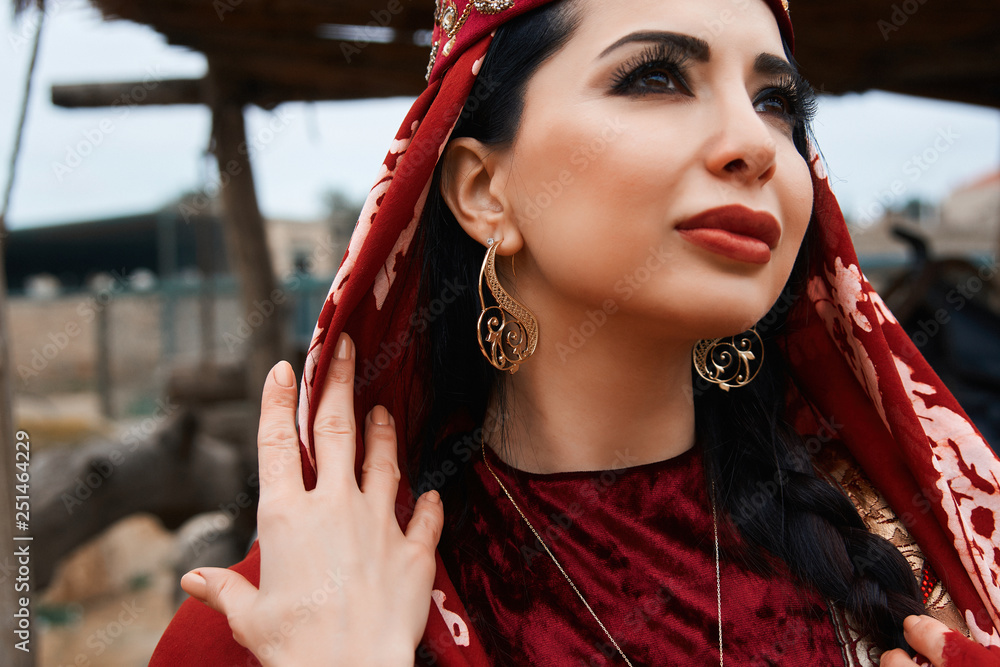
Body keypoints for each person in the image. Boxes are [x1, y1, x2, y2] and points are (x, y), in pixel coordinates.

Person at [149, 0, 1000, 664]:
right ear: (484, 190)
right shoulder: (288, 622)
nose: (756, 142)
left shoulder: (914, 561)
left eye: (777, 101)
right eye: (657, 78)